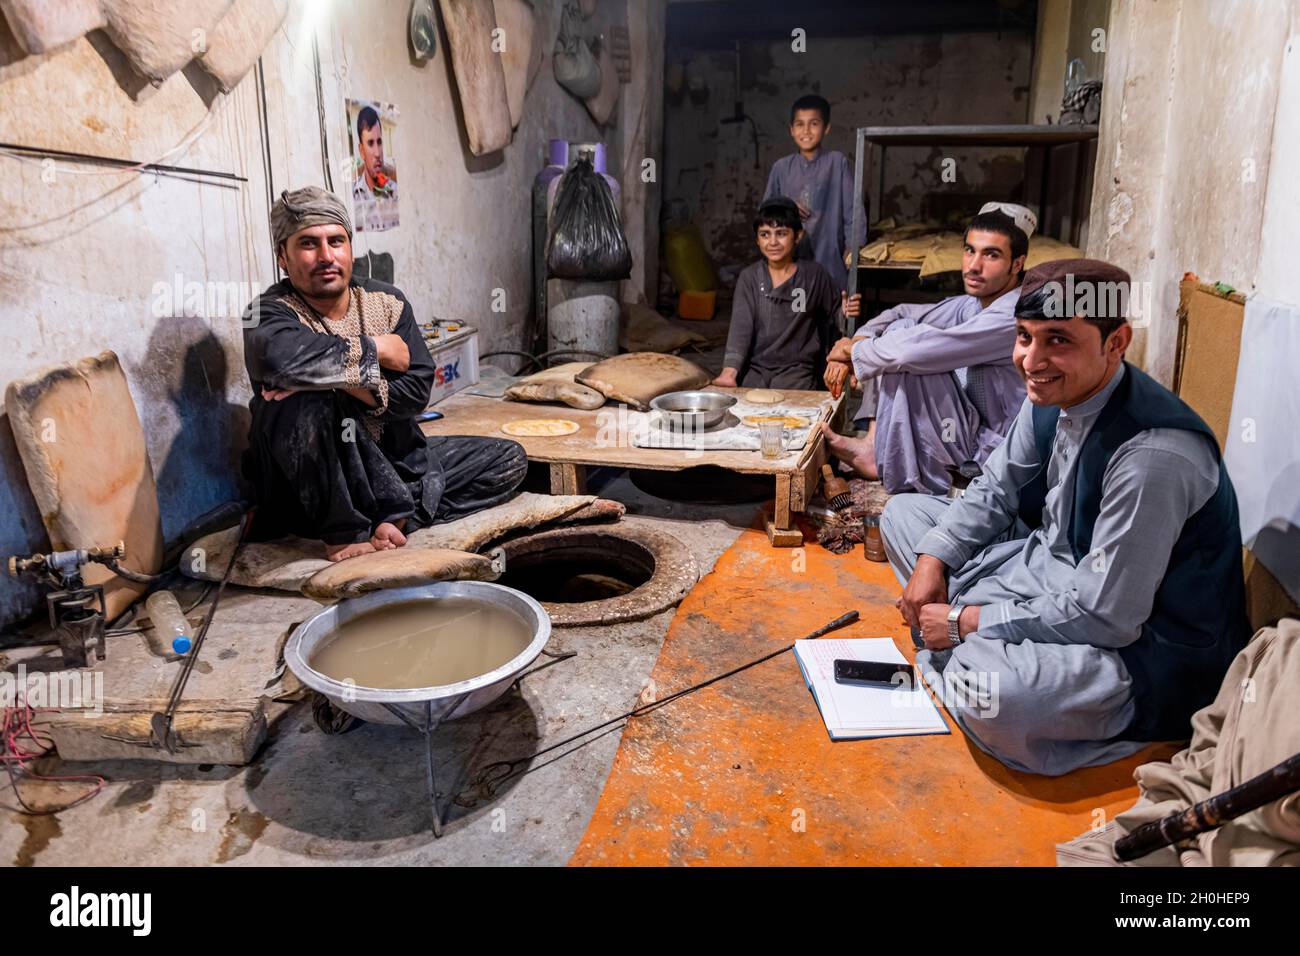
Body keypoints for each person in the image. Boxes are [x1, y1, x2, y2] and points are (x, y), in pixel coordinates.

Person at [881, 258, 1249, 776]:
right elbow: (994, 488)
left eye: (1058, 340)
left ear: (1116, 342)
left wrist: (965, 624)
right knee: (903, 515)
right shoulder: (1052, 392)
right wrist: (932, 562)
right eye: (1024, 337)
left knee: (1001, 694)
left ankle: (961, 646)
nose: (1032, 360)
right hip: (1049, 570)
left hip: (1146, 648)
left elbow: (1108, 617)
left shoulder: (1154, 455)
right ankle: (961, 635)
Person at [241, 186, 527, 562]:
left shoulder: (386, 301)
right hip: (312, 483)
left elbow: (415, 390)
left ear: (350, 248)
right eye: (308, 244)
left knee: (508, 459)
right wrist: (379, 350)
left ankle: (393, 516)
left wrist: (337, 378)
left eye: (336, 241)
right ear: (283, 255)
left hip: (387, 461)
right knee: (301, 405)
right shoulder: (268, 312)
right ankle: (346, 531)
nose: (326, 256)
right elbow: (281, 362)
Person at [820, 203, 1035, 494]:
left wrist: (850, 354)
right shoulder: (974, 303)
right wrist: (859, 341)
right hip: (967, 430)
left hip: (989, 458)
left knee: (908, 349)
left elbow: (916, 350)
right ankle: (874, 444)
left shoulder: (1012, 313)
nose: (973, 265)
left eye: (991, 255)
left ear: (1017, 264)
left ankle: (906, 470)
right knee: (899, 332)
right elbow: (901, 312)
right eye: (970, 250)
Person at [715, 197, 860, 391]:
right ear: (757, 240)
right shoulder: (749, 278)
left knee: (791, 414)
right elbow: (740, 329)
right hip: (756, 369)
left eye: (781, 233)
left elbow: (836, 314)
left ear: (798, 235)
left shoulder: (813, 275)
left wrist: (845, 312)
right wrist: (729, 372)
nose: (773, 242)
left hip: (797, 370)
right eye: (765, 234)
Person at [763, 94, 864, 294]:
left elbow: (853, 208)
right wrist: (786, 204)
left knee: (832, 303)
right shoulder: (782, 168)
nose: (806, 131)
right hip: (792, 254)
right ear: (791, 130)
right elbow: (765, 213)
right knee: (797, 306)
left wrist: (855, 245)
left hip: (830, 252)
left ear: (826, 128)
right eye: (800, 124)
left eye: (814, 124)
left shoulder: (837, 163)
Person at [352, 105, 397, 202]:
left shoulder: (394, 192)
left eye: (379, 142)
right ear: (362, 151)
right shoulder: (353, 194)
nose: (377, 153)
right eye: (370, 143)